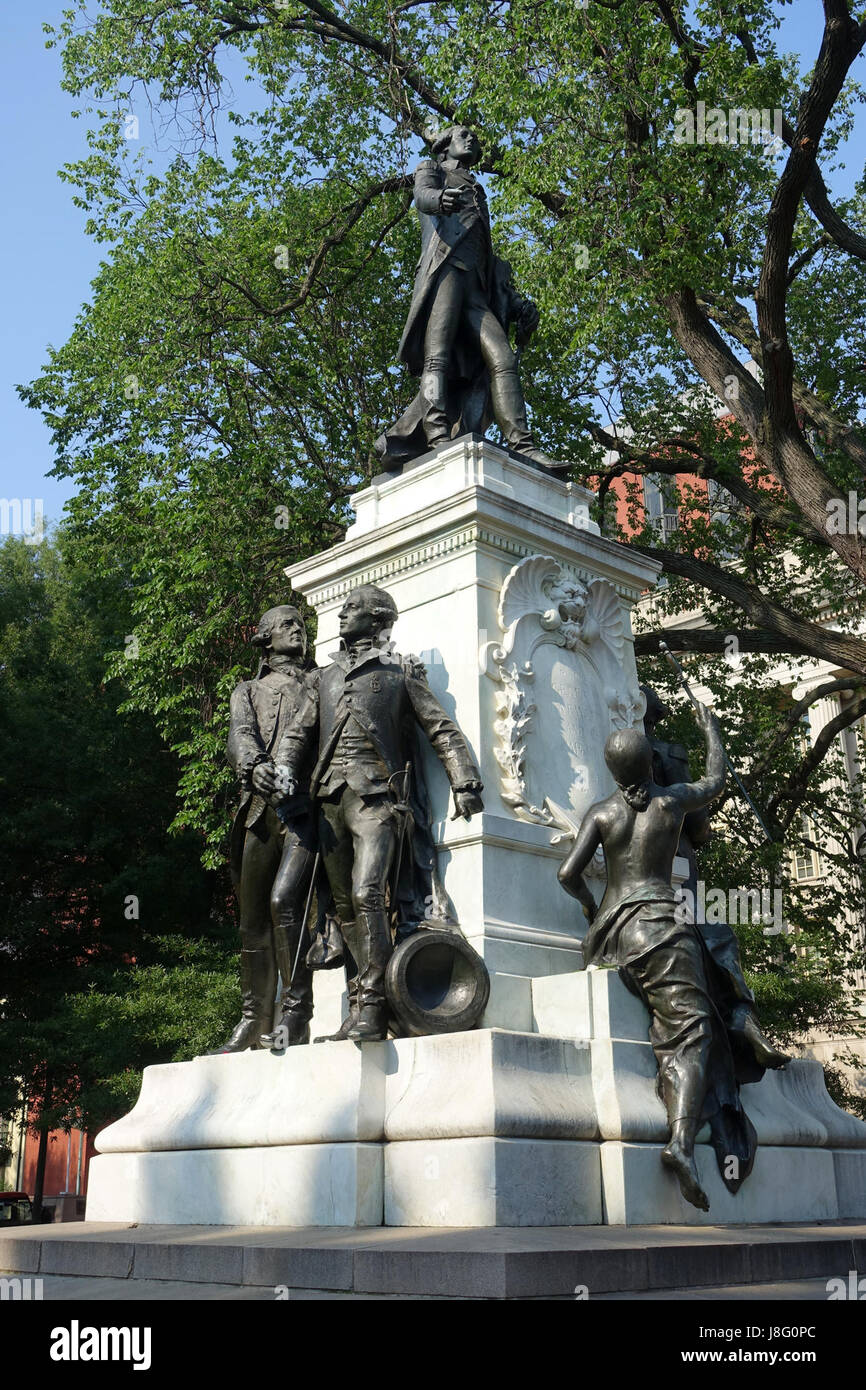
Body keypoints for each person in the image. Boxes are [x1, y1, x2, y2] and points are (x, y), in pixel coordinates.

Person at [558, 706, 775, 1212]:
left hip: (612, 933)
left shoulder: (601, 812)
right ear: (650, 763)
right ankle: (680, 1141)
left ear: (612, 770)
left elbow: (568, 874)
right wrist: (711, 731)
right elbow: (716, 780)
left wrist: (593, 910)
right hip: (658, 927)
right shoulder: (670, 802)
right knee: (694, 1026)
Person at [277, 583, 484, 1042]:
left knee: (369, 892)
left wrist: (465, 780)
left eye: (351, 609)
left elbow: (439, 726)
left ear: (376, 619)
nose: (340, 615)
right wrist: (285, 770)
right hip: (330, 799)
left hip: (377, 799)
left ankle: (374, 1005)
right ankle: (357, 1004)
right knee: (343, 906)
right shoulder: (323, 677)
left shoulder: (399, 670)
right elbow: (297, 734)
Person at [375, 124, 564, 472]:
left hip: (476, 288)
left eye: (475, 136)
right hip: (445, 273)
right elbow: (423, 196)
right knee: (438, 358)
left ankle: (523, 445)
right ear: (445, 146)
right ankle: (437, 437)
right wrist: (439, 201)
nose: (472, 139)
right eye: (464, 134)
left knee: (503, 358)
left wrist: (516, 301)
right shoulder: (431, 169)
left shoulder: (478, 191)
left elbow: (487, 257)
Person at [641, 685, 789, 1073]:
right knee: (717, 935)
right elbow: (700, 827)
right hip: (674, 862)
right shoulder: (667, 753)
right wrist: (712, 734)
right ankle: (742, 1017)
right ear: (651, 712)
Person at [212, 605, 317, 1053]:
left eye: (301, 625)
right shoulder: (248, 689)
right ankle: (254, 1017)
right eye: (287, 626)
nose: (297, 630)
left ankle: (296, 1013)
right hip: (259, 811)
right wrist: (253, 765)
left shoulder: (321, 682)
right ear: (265, 639)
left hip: (306, 810)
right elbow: (240, 733)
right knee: (252, 918)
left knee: (287, 905)